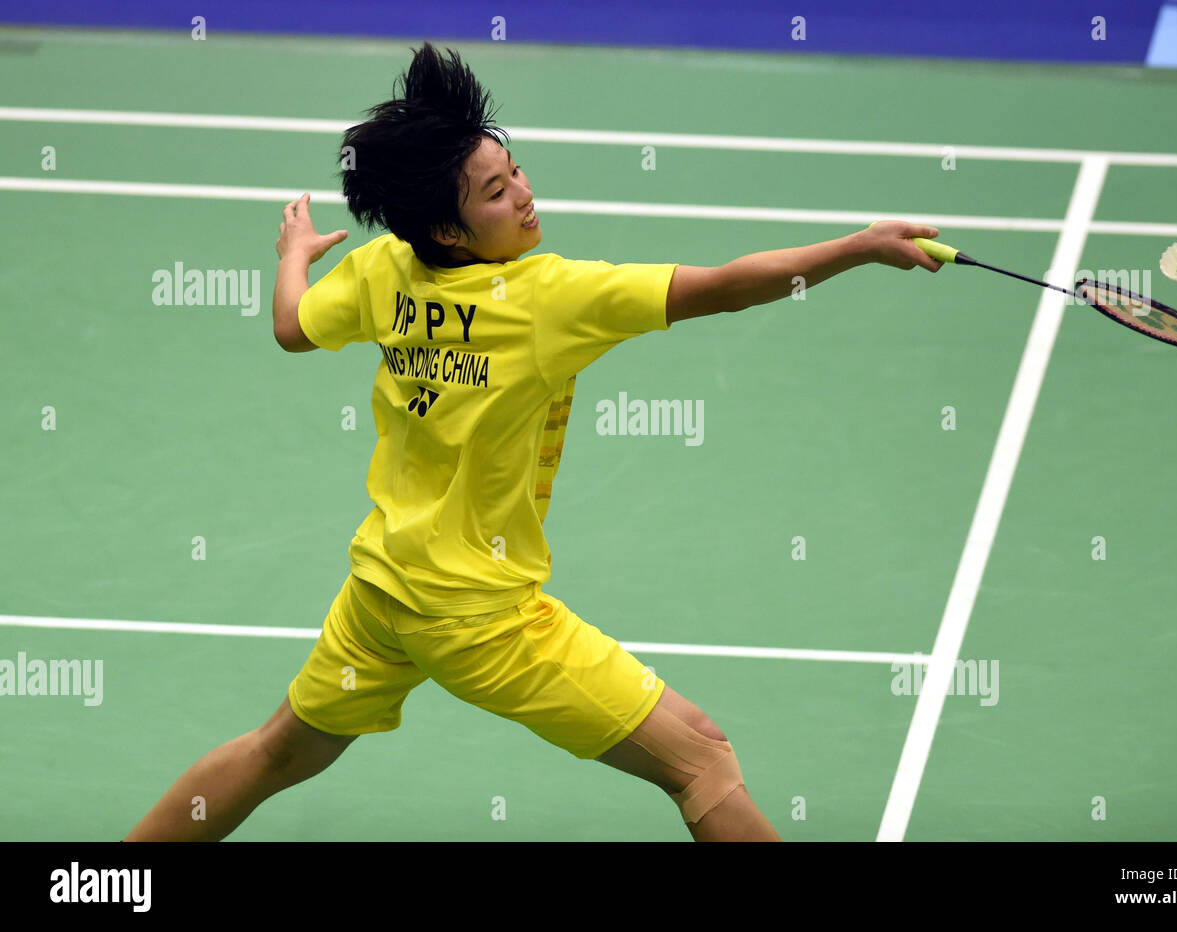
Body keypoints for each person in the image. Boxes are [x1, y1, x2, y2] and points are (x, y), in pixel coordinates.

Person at [125, 44, 940, 844]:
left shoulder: (382, 271)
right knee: (701, 760)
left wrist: (293, 257)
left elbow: (290, 328)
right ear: (445, 229)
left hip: (383, 595)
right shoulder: (551, 299)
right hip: (483, 619)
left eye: (513, 169)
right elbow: (725, 287)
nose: (522, 194)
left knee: (275, 754)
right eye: (493, 191)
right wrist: (859, 247)